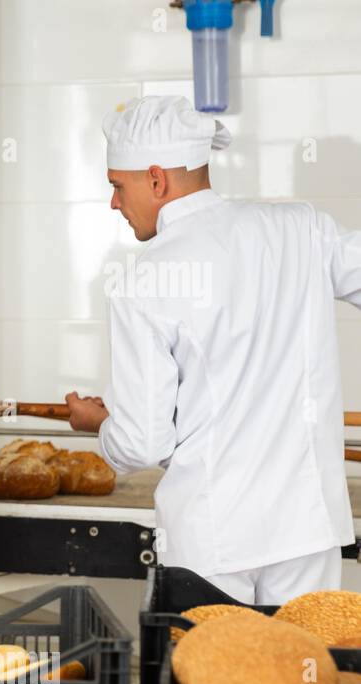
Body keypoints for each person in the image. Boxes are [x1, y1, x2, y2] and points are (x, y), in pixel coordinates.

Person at [64, 95, 361, 604]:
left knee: (211, 680)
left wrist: (99, 425)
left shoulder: (143, 280)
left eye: (117, 185)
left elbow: (142, 444)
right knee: (302, 678)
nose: (114, 202)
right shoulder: (300, 229)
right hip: (307, 530)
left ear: (156, 179)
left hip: (214, 541)